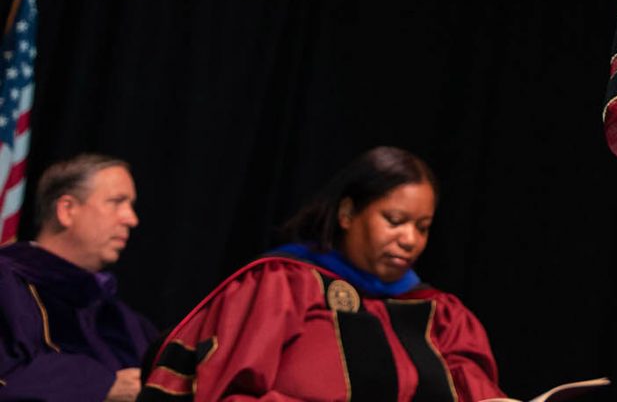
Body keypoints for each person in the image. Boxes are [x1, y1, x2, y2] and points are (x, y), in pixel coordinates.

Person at [139, 147, 502, 402]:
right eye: (394, 221)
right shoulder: (284, 285)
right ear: (347, 214)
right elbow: (230, 392)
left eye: (422, 227)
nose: (410, 240)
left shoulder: (442, 317)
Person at [0, 154, 159, 402]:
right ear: (67, 210)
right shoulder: (8, 282)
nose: (131, 219)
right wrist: (103, 386)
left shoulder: (125, 320)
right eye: (117, 202)